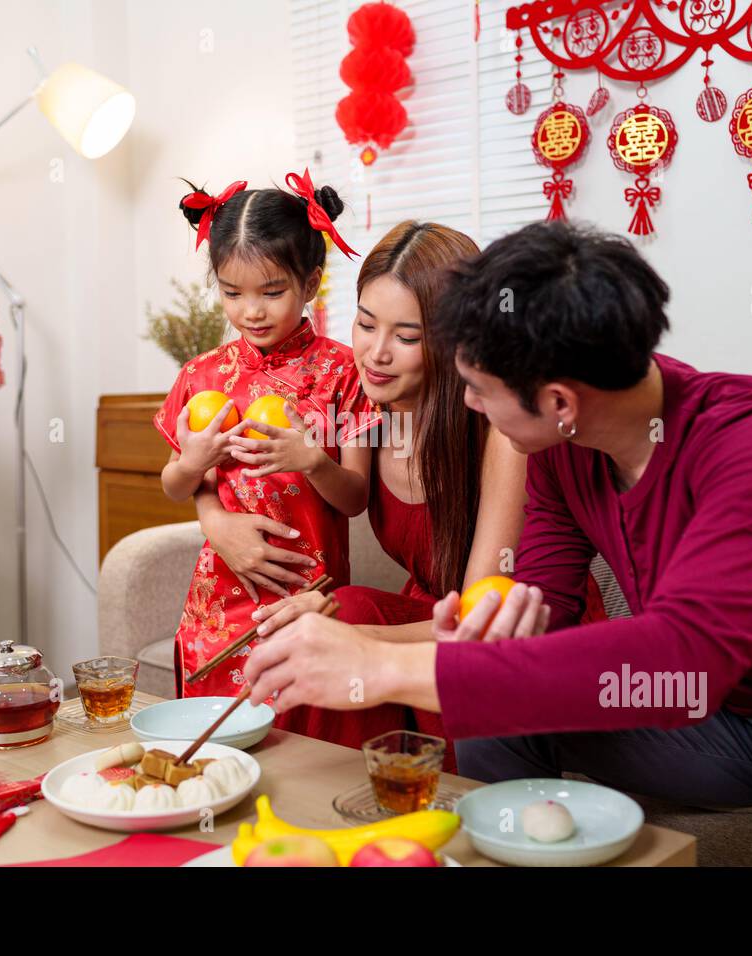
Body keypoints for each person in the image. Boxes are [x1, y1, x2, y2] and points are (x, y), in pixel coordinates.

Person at [241, 219, 752, 865]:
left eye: (478, 390)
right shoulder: (561, 454)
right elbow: (536, 604)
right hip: (725, 730)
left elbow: (685, 659)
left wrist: (385, 665)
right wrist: (476, 624)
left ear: (560, 401)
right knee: (502, 707)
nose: (467, 403)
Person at [195, 221, 597, 767]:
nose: (376, 354)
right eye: (365, 324)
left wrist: (342, 631)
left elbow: (477, 619)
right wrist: (214, 517)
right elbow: (233, 476)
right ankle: (303, 806)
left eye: (407, 337)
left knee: (351, 614)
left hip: (508, 636)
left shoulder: (501, 429)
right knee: (347, 607)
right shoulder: (363, 419)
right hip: (429, 617)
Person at [154, 171, 374, 701]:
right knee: (217, 754)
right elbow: (175, 484)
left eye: (272, 292)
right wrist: (194, 467)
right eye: (232, 293)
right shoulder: (200, 375)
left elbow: (357, 499)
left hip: (309, 597)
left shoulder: (344, 372)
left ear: (311, 283)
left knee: (303, 755)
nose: (251, 311)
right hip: (220, 593)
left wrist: (313, 460)